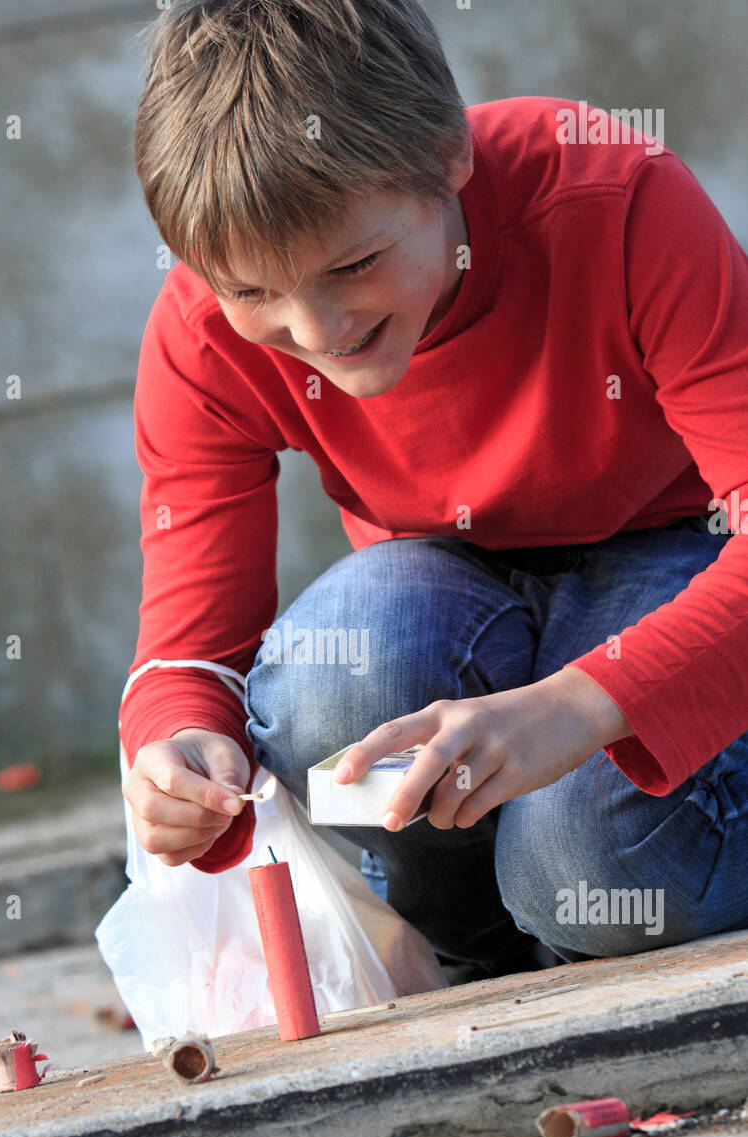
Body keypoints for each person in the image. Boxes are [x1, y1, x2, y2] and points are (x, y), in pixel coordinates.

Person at [119, 0, 748, 976]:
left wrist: (577, 706)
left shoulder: (613, 198)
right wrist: (177, 746)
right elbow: (188, 652)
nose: (317, 331)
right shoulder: (201, 327)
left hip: (676, 547)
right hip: (446, 585)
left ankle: (572, 916)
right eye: (250, 292)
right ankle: (477, 959)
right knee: (333, 679)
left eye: (355, 264)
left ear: (448, 153)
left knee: (581, 851)